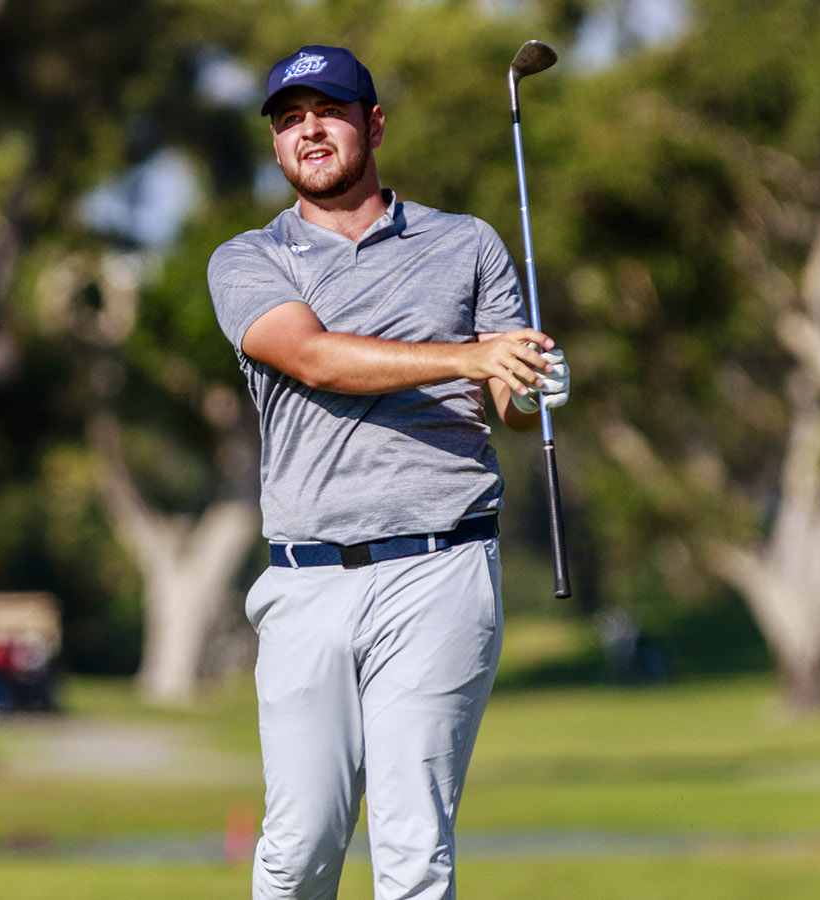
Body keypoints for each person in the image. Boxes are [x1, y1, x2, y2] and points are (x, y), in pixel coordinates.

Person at [207, 45, 570, 899]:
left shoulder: (467, 244)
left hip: (442, 569)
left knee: (414, 848)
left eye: (327, 112)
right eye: (290, 120)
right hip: (308, 577)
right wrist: (473, 355)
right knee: (301, 847)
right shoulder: (248, 259)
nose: (309, 132)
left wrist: (535, 381)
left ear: (372, 124)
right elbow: (314, 358)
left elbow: (510, 407)